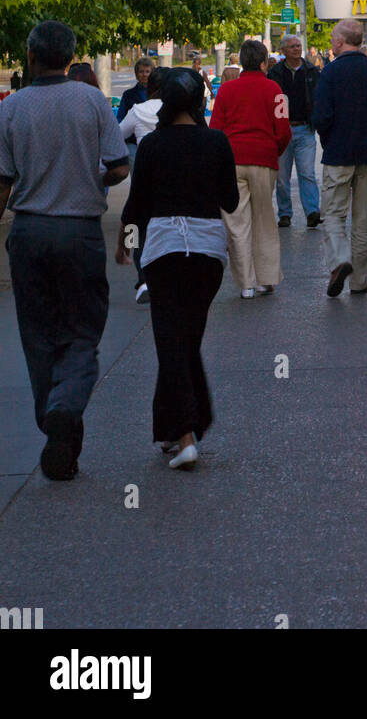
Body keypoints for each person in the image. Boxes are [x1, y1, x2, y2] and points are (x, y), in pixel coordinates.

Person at [0, 20, 129, 480]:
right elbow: (118, 168)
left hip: (30, 233)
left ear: (30, 56)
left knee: (37, 335)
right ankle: (65, 407)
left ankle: (54, 420)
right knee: (80, 332)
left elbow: (2, 181)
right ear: (72, 57)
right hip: (79, 233)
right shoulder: (92, 100)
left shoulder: (11, 108)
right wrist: (89, 178)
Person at [119, 70, 238, 470]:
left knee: (171, 342)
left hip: (164, 251)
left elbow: (135, 207)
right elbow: (232, 201)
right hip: (207, 253)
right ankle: (175, 428)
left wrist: (126, 245)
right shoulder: (217, 141)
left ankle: (186, 432)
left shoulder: (151, 145)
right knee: (185, 341)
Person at [312, 17, 367, 298]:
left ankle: (340, 260)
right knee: (363, 219)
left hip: (338, 154)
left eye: (332, 39)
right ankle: (359, 281)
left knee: (334, 214)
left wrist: (329, 139)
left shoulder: (330, 73)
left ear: (339, 41)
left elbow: (321, 117)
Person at [209, 39, 291, 298]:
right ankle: (265, 280)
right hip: (264, 159)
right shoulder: (275, 90)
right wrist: (272, 150)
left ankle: (245, 283)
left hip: (232, 161)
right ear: (265, 62)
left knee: (236, 223)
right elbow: (284, 131)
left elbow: (216, 130)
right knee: (265, 220)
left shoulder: (226, 91)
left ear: (241, 62)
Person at [117, 67, 170, 305]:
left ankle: (142, 276)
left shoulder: (138, 110)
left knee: (135, 220)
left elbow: (118, 134)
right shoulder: (179, 110)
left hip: (144, 174)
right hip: (174, 177)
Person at [268, 33, 321, 228]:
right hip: (282, 130)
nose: (297, 49)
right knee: (282, 177)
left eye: (298, 46)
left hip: (305, 129)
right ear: (283, 50)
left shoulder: (312, 71)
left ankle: (312, 212)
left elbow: (319, 97)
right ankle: (285, 214)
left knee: (307, 173)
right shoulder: (275, 74)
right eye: (292, 46)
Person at [117, 57, 154, 174]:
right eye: (141, 71)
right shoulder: (128, 95)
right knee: (136, 178)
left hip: (154, 142)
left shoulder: (159, 93)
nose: (144, 75)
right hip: (133, 143)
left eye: (147, 71)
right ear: (136, 74)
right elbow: (120, 118)